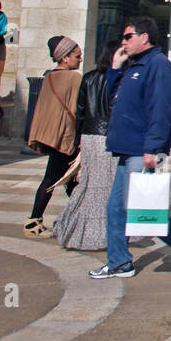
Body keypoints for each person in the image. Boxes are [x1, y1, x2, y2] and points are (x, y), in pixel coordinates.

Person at [91, 17, 171, 280]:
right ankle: (119, 262)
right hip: (126, 148)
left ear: (145, 37)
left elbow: (161, 109)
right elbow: (114, 100)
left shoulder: (159, 66)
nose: (123, 41)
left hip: (142, 149)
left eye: (128, 36)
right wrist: (115, 69)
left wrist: (155, 148)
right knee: (117, 209)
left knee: (142, 208)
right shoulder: (133, 66)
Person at [54, 41, 121, 251]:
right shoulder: (117, 81)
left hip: (89, 136)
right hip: (108, 137)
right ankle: (94, 234)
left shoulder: (89, 78)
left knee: (90, 184)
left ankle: (73, 227)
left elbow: (80, 111)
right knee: (106, 188)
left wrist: (78, 141)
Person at [23, 36, 83, 237]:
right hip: (67, 138)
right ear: (65, 57)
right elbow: (78, 110)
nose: (80, 59)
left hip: (53, 137)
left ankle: (79, 220)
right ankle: (33, 221)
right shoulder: (74, 78)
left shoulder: (49, 76)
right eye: (77, 56)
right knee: (55, 179)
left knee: (68, 181)